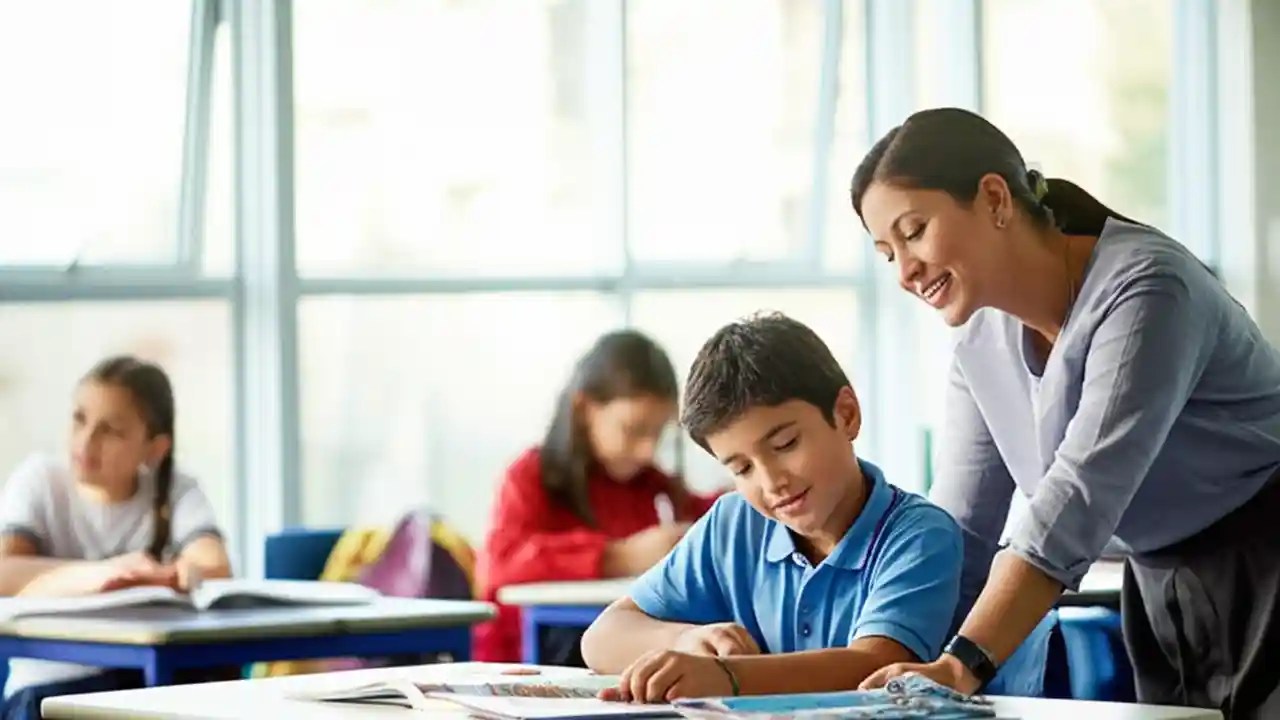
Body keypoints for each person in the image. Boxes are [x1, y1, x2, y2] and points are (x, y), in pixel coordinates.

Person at [852, 107, 1280, 718]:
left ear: (994, 198)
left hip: (1266, 557)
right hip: (1159, 586)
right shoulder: (979, 343)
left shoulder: (1148, 289)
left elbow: (1075, 499)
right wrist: (879, 647)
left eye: (914, 231)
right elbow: (960, 529)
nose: (904, 270)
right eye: (886, 253)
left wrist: (959, 666)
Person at [580, 313, 962, 702]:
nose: (771, 482)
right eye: (742, 468)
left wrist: (728, 676)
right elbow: (602, 638)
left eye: (785, 445)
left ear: (846, 414)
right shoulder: (733, 525)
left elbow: (874, 667)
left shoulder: (919, 535)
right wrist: (686, 640)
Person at [0, 356, 232, 720]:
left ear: (154, 448)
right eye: (79, 419)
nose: (87, 440)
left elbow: (214, 566)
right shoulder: (39, 481)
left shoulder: (176, 489)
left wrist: (177, 573)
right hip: (50, 688)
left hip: (146, 683)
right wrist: (110, 574)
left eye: (112, 431)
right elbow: (5, 572)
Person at [474, 330, 720, 665]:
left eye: (657, 433)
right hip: (527, 660)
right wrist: (621, 556)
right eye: (632, 430)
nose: (648, 450)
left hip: (611, 654)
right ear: (585, 408)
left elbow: (707, 515)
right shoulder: (531, 474)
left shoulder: (648, 483)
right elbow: (501, 566)